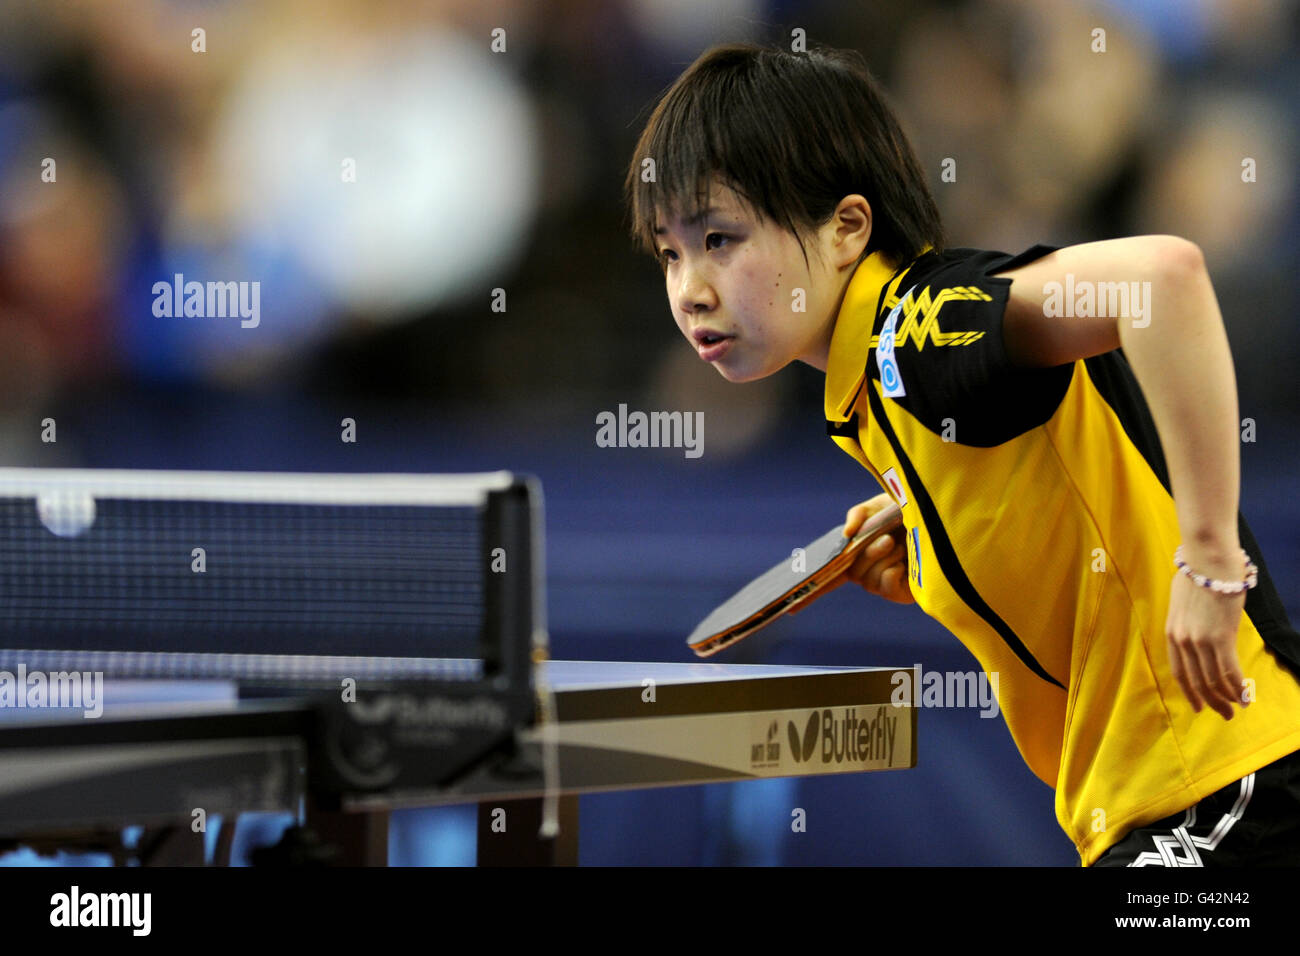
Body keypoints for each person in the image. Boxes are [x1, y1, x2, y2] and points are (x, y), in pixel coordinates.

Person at [623, 42, 1300, 866]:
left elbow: (1162, 280)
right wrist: (935, 540)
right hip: (1167, 802)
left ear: (846, 229)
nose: (689, 287)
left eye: (720, 238)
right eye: (670, 251)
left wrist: (1208, 558)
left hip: (1227, 788)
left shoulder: (922, 328)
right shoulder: (880, 391)